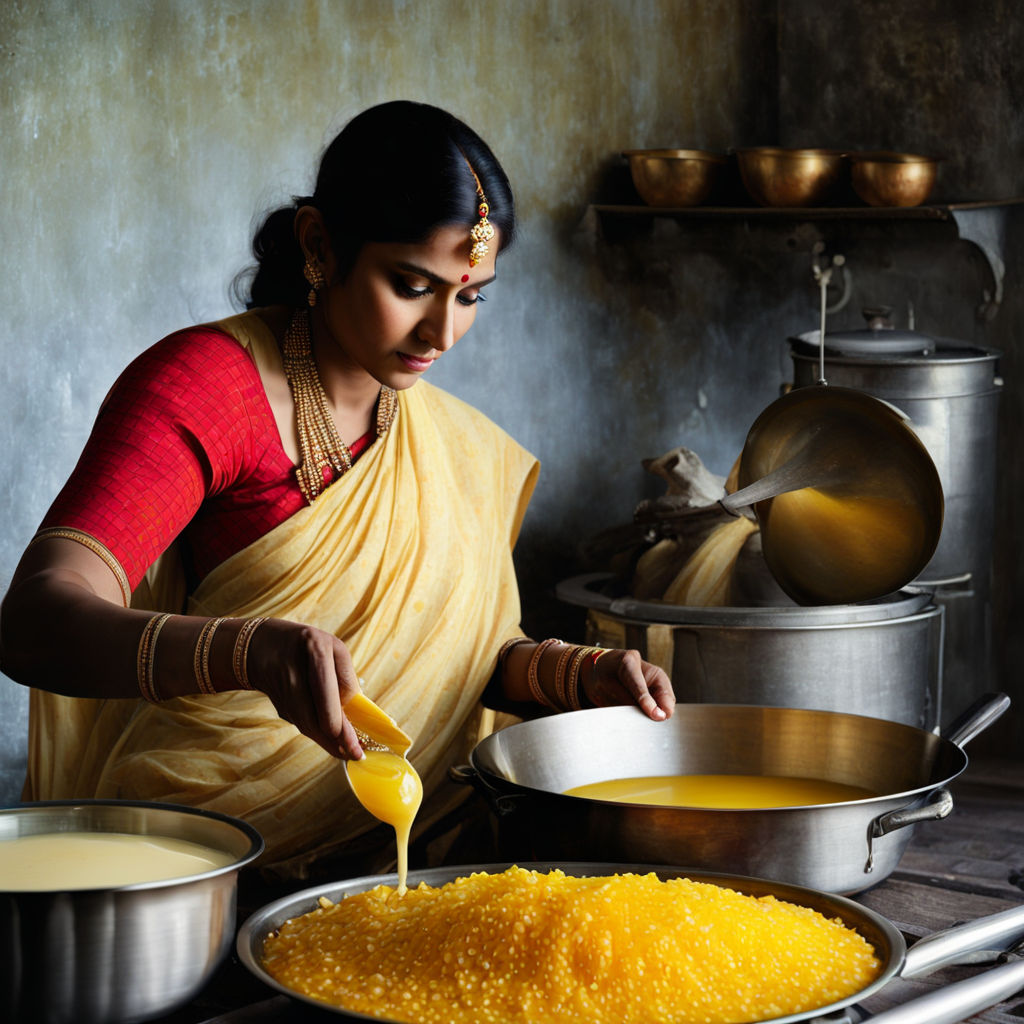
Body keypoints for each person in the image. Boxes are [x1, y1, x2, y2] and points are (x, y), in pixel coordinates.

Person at [0, 101, 674, 879]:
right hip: (209, 868)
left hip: (416, 866)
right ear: (321, 245)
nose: (442, 333)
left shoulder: (449, 440)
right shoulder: (210, 391)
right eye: (411, 283)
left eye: (470, 295)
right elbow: (36, 621)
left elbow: (447, 663)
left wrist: (575, 674)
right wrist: (249, 651)